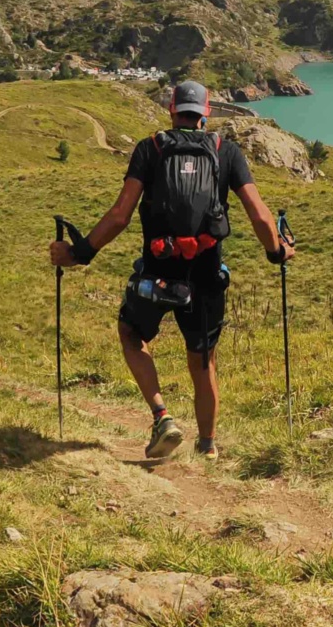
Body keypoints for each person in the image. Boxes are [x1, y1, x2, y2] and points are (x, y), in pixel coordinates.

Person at [47, 80, 294, 460]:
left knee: (131, 334)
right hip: (207, 278)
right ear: (206, 114)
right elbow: (260, 216)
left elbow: (120, 215)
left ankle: (162, 416)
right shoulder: (226, 151)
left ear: (172, 110)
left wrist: (81, 254)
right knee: (203, 361)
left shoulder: (151, 148)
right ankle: (208, 447)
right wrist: (278, 252)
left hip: (156, 275)